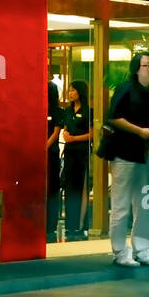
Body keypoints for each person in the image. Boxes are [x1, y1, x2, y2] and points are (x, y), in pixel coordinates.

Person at [106, 51, 149, 267]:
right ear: (136, 68)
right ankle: (120, 252)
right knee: (121, 206)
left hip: (142, 154)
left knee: (144, 205)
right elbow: (113, 117)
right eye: (147, 65)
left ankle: (143, 250)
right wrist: (139, 131)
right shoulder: (125, 89)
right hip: (123, 154)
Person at [60, 81, 92, 240]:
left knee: (82, 188)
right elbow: (65, 128)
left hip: (82, 152)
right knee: (69, 187)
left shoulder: (88, 111)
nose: (70, 93)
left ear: (80, 92)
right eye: (69, 90)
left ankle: (80, 225)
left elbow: (92, 134)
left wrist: (74, 138)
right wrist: (67, 137)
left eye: (73, 90)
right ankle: (70, 224)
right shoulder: (67, 111)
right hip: (70, 152)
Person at [45, 82, 63, 243]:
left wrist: (43, 146)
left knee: (52, 187)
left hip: (50, 153)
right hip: (41, 152)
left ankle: (51, 223)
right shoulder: (38, 107)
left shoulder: (57, 111)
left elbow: (56, 133)